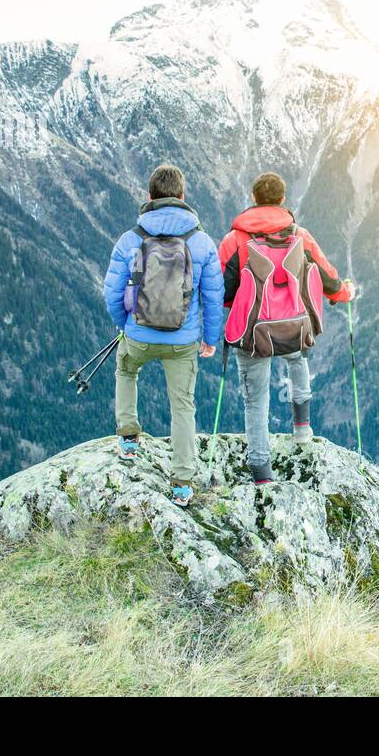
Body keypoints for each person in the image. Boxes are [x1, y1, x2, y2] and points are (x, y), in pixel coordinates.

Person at [218, 171, 356, 483]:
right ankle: (302, 429)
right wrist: (345, 293)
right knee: (297, 358)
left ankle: (261, 470)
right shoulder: (300, 236)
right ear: (282, 201)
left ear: (254, 200)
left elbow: (222, 292)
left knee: (256, 400)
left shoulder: (234, 241)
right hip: (295, 325)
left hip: (254, 331)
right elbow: (328, 277)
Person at [102, 164, 222, 506]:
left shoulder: (131, 239)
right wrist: (210, 339)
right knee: (182, 405)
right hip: (182, 343)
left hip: (138, 334)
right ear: (183, 197)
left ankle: (128, 437)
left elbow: (111, 293)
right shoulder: (201, 243)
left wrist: (123, 325)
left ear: (149, 196)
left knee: (126, 369)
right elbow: (213, 298)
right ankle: (182, 482)